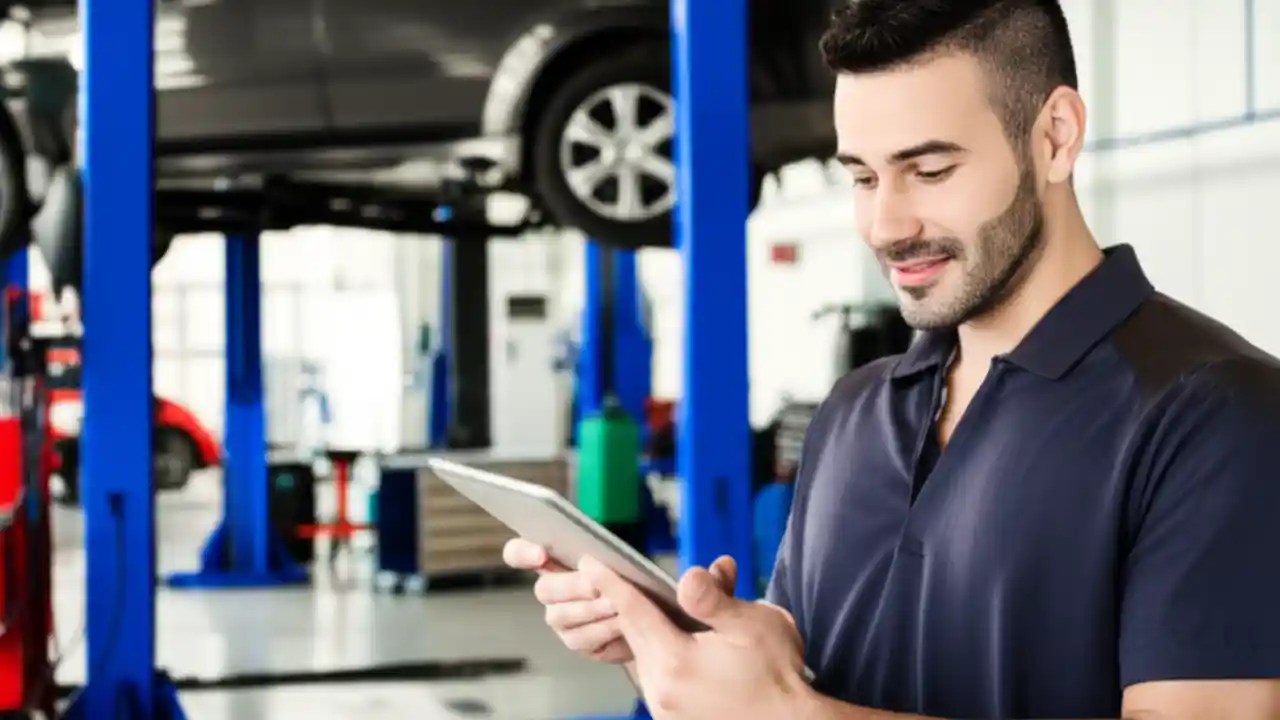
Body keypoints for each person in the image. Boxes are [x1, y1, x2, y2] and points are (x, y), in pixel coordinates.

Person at [504, 0, 1280, 717]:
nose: (885, 223)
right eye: (863, 176)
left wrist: (789, 715)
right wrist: (674, 659)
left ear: (1055, 136)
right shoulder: (857, 409)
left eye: (930, 170)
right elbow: (813, 687)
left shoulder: (1217, 417)